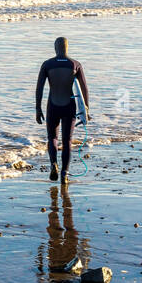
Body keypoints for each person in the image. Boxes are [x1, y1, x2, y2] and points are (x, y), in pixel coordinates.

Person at [35, 36, 91, 184]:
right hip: (69, 106)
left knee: (52, 138)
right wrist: (86, 109)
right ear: (67, 47)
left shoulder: (47, 64)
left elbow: (39, 87)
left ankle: (53, 164)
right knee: (67, 141)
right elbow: (84, 88)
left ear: (55, 47)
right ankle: (64, 174)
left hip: (52, 106)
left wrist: (37, 108)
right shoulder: (75, 64)